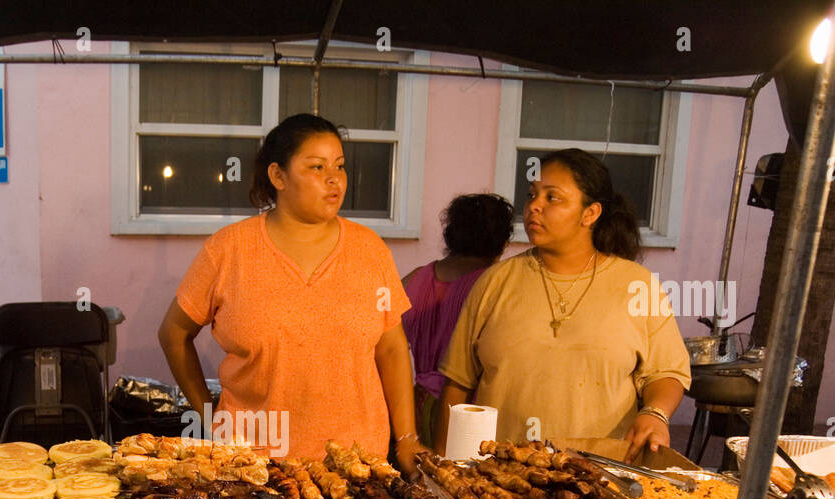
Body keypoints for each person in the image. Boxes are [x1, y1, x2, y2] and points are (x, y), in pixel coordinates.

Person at [156, 113, 423, 471]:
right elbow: (174, 333)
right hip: (255, 464)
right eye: (316, 167)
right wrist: (209, 417)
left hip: (357, 465)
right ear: (278, 176)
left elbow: (391, 349)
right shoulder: (229, 250)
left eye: (340, 167)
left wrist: (407, 438)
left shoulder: (370, 250)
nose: (334, 179)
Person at [434, 149, 690, 461]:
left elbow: (666, 371)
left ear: (590, 213)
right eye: (532, 195)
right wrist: (444, 464)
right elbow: (456, 385)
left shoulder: (638, 286)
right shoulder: (494, 282)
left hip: (599, 475)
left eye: (552, 197)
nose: (533, 207)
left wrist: (655, 413)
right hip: (503, 477)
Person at [402, 193, 514, 447]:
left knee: (418, 481)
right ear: (501, 239)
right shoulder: (492, 284)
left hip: (416, 405)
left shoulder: (415, 279)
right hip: (469, 410)